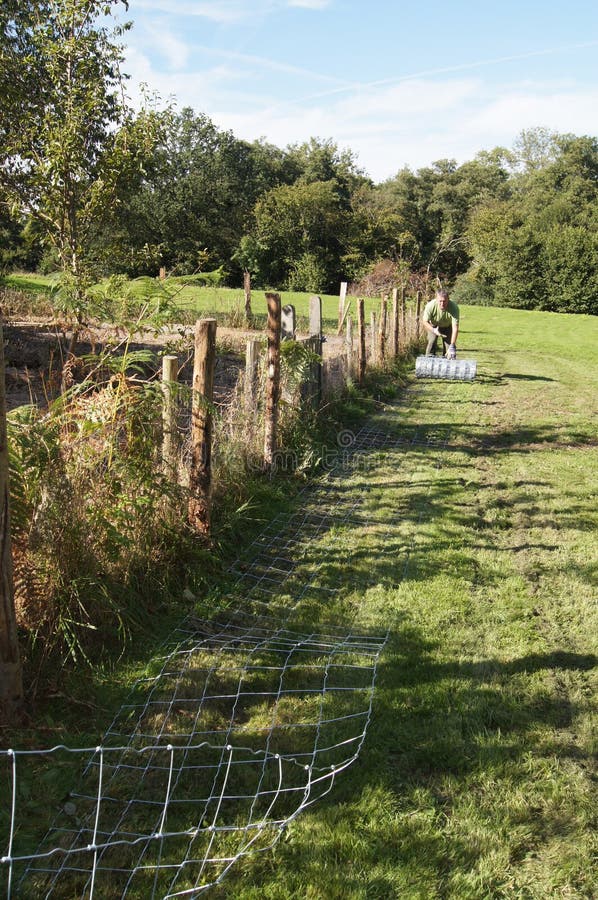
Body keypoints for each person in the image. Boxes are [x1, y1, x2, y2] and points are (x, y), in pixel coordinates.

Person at [422, 289, 459, 359]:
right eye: (440, 301)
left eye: (444, 301)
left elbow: (455, 328)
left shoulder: (454, 307)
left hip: (448, 326)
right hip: (433, 325)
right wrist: (434, 330)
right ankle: (429, 359)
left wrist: (452, 345)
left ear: (448, 300)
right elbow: (425, 321)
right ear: (436, 300)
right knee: (432, 341)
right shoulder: (430, 306)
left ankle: (448, 361)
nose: (442, 304)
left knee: (449, 350)